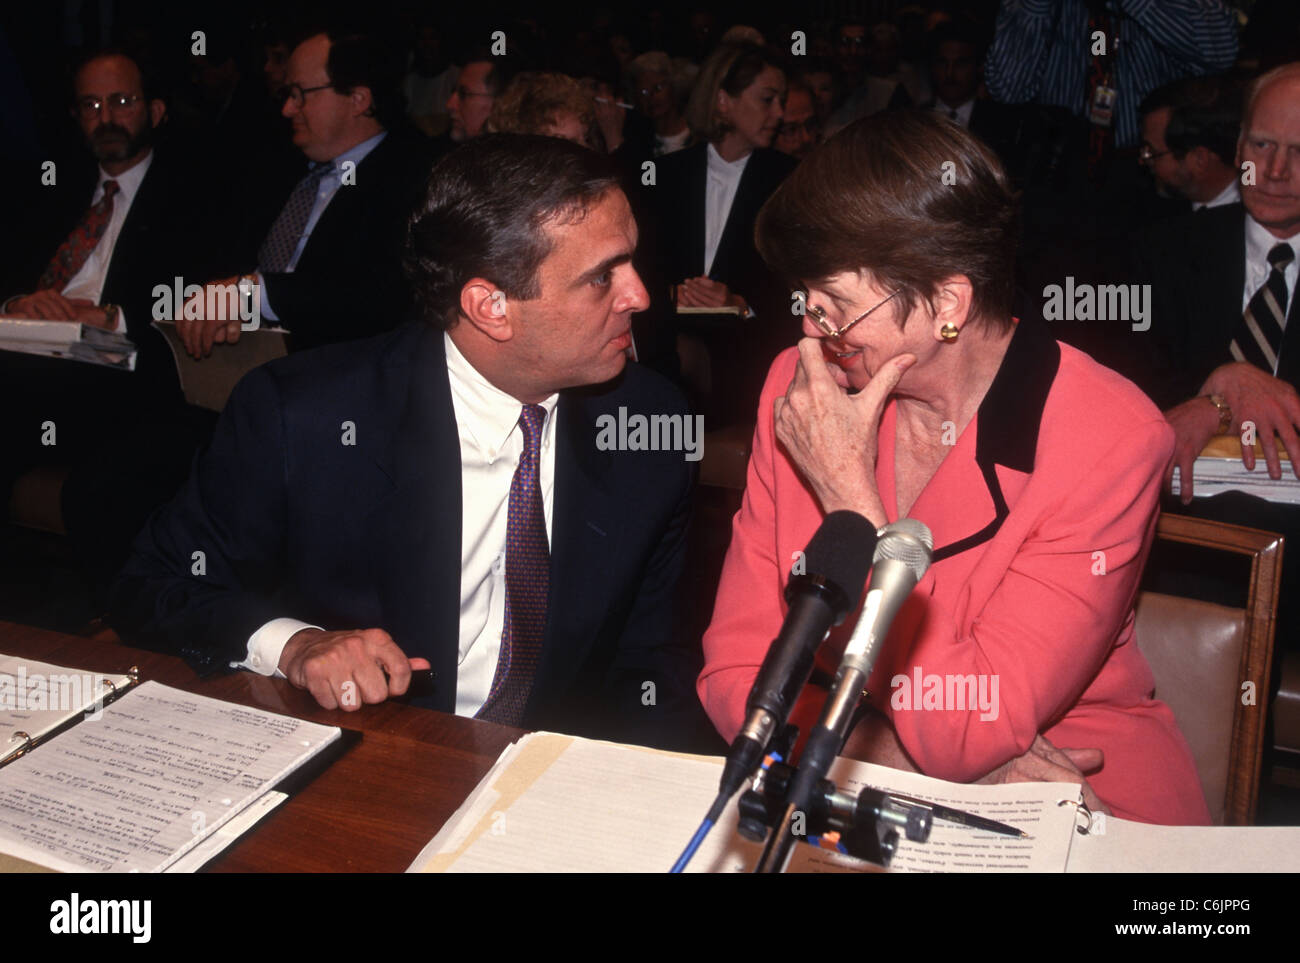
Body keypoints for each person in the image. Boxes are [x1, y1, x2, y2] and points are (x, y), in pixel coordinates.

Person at [110, 134, 709, 752]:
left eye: (631, 262)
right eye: (601, 278)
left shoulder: (649, 425)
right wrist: (295, 644)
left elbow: (651, 659)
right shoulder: (307, 416)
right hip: (358, 760)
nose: (640, 295)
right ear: (490, 308)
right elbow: (151, 586)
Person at [698, 110, 1209, 824]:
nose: (808, 328)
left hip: (1076, 799)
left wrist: (852, 493)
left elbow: (961, 725)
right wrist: (889, 760)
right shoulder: (802, 386)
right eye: (804, 298)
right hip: (905, 782)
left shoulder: (1110, 438)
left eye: (833, 305)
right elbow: (733, 673)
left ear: (946, 304)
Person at [175, 29, 436, 358]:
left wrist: (251, 296)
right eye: (287, 94)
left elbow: (381, 295)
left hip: (342, 372)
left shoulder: (415, 176)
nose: (287, 108)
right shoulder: (277, 161)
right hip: (239, 358)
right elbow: (221, 250)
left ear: (358, 99)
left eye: (300, 94)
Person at [652, 42, 797, 426]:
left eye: (780, 100)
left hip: (751, 351)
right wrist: (670, 295)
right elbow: (643, 265)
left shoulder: (791, 181)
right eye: (768, 99)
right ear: (723, 101)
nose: (779, 114)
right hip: (670, 348)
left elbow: (799, 293)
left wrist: (740, 303)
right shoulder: (665, 175)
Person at [1137, 75, 1242, 212]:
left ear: (1200, 160)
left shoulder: (1256, 219)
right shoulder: (1148, 207)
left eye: (1152, 152)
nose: (1142, 160)